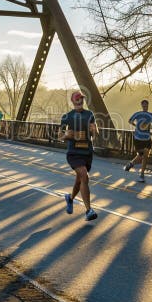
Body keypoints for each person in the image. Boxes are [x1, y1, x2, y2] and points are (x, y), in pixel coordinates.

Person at [60, 91, 99, 221]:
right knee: (84, 176)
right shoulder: (67, 117)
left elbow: (95, 133)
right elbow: (59, 137)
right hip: (74, 153)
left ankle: (70, 199)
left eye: (81, 98)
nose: (80, 100)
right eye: (77, 98)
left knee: (80, 180)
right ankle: (89, 210)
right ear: (72, 100)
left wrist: (94, 131)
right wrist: (66, 135)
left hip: (87, 153)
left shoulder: (89, 114)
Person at [124, 99, 152, 182]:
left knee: (145, 156)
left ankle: (142, 175)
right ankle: (131, 164)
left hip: (147, 139)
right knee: (141, 156)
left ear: (148, 106)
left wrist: (147, 126)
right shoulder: (137, 114)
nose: (145, 107)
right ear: (142, 106)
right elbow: (130, 121)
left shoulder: (151, 115)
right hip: (138, 138)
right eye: (144, 105)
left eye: (146, 105)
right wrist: (137, 126)